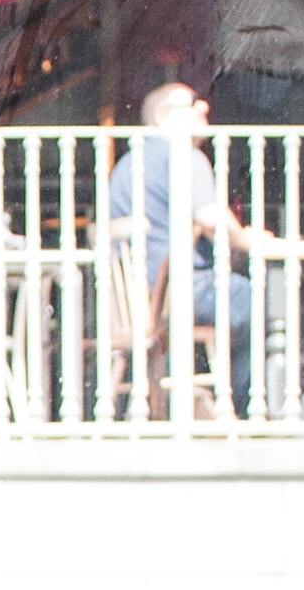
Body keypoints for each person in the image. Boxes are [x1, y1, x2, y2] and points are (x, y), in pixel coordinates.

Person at [104, 75, 253, 412]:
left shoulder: (126, 164)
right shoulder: (182, 153)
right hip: (176, 292)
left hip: (137, 302)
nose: (204, 107)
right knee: (254, 297)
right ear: (164, 119)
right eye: (191, 104)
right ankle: (246, 410)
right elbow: (210, 215)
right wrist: (246, 239)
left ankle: (183, 404)